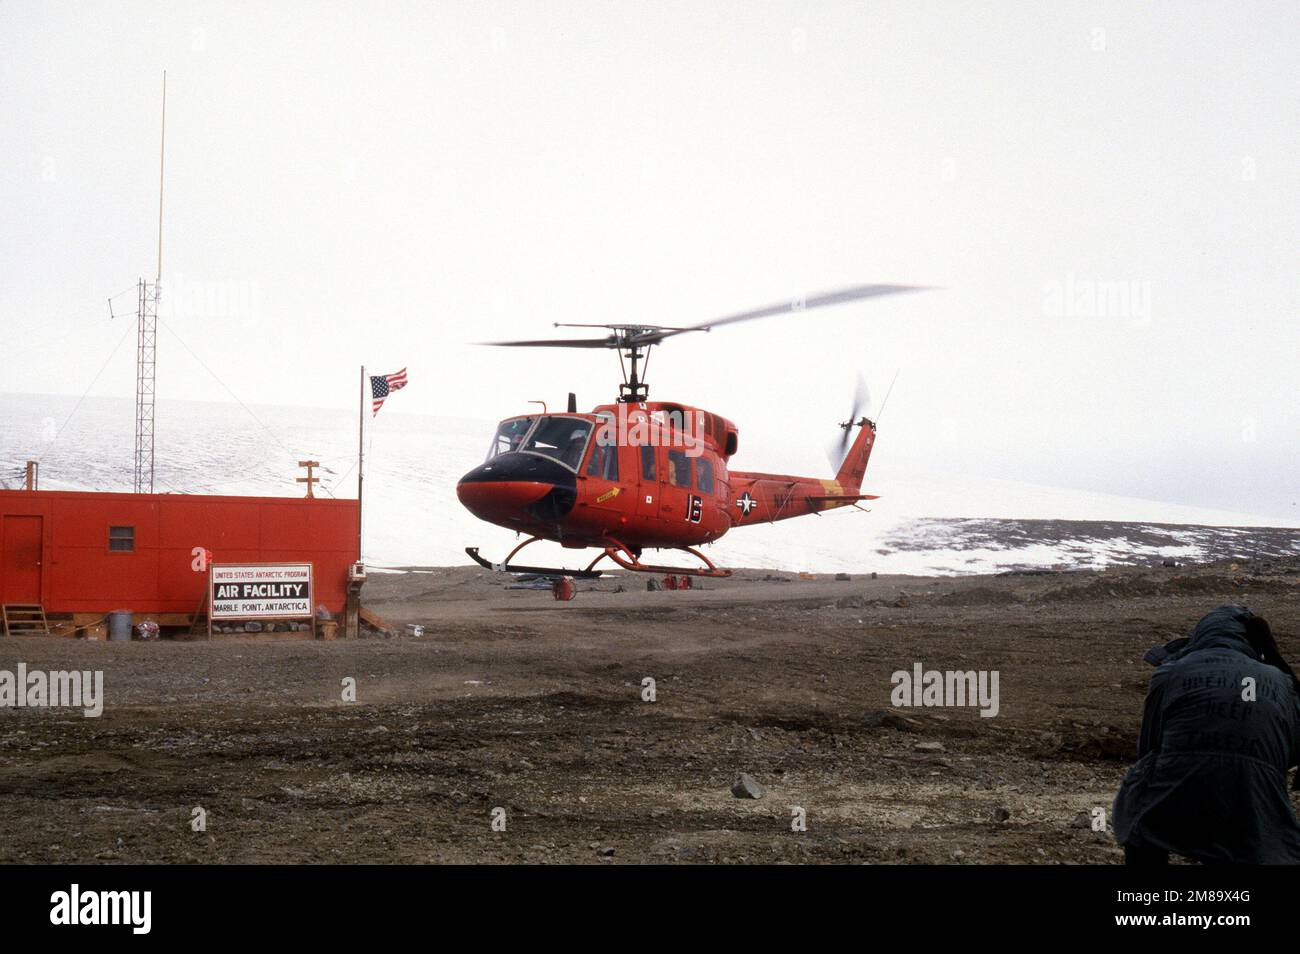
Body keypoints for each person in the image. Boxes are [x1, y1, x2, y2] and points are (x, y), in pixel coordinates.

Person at [1114, 604, 1300, 864]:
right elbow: (1291, 750)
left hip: (1176, 798)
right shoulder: (1281, 681)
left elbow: (1148, 746)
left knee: (1138, 804)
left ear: (1202, 635)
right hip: (1254, 804)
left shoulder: (1170, 673)